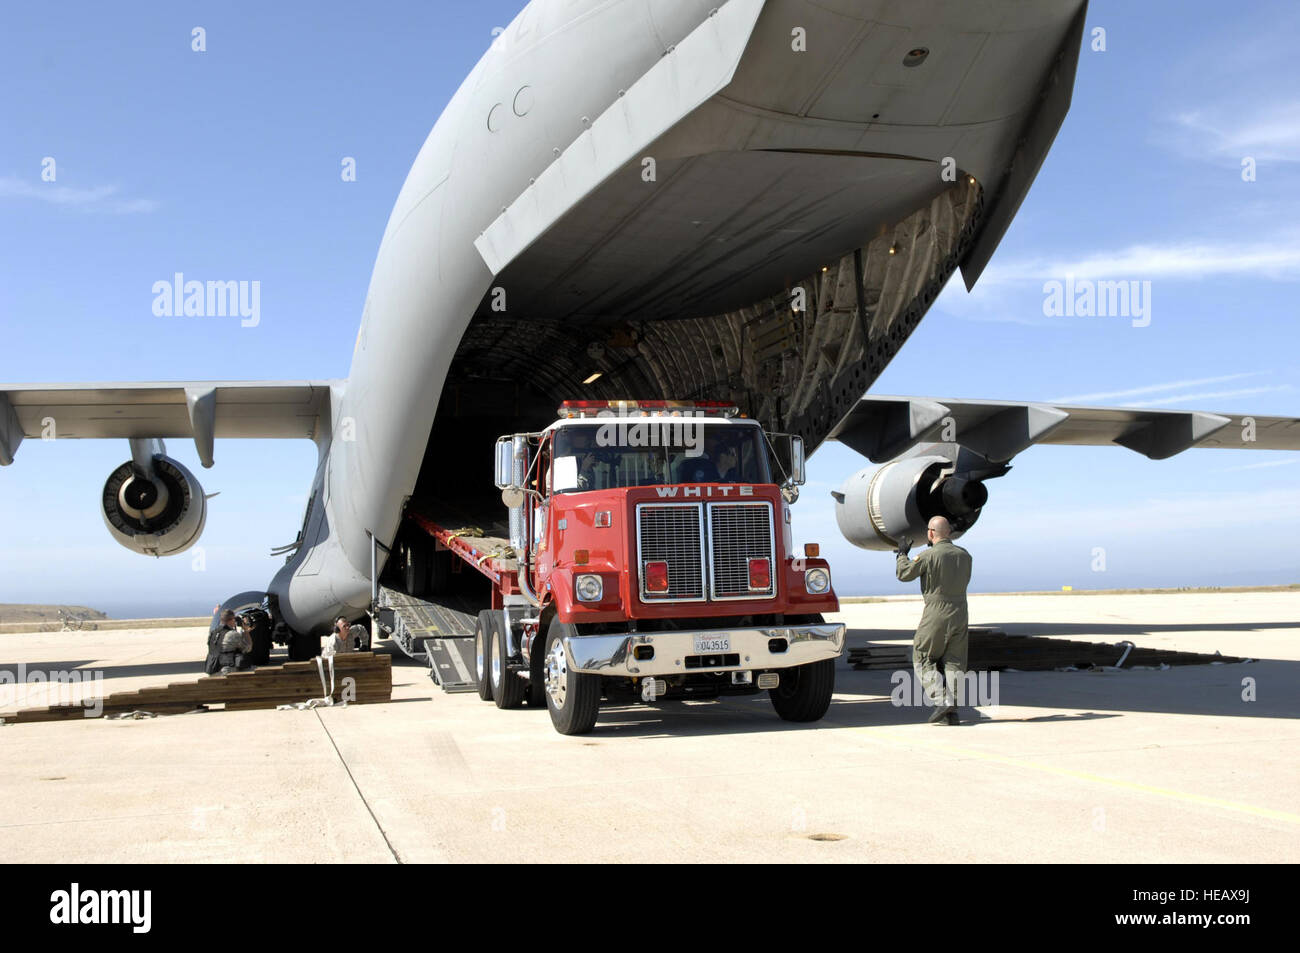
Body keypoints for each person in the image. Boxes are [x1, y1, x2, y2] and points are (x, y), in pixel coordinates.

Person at [895, 516, 973, 725]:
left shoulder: (928, 556)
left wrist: (902, 554)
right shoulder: (965, 556)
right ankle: (951, 712)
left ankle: (942, 699)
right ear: (948, 532)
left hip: (936, 611)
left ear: (931, 533)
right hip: (960, 612)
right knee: (955, 662)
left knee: (922, 656)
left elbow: (904, 574)